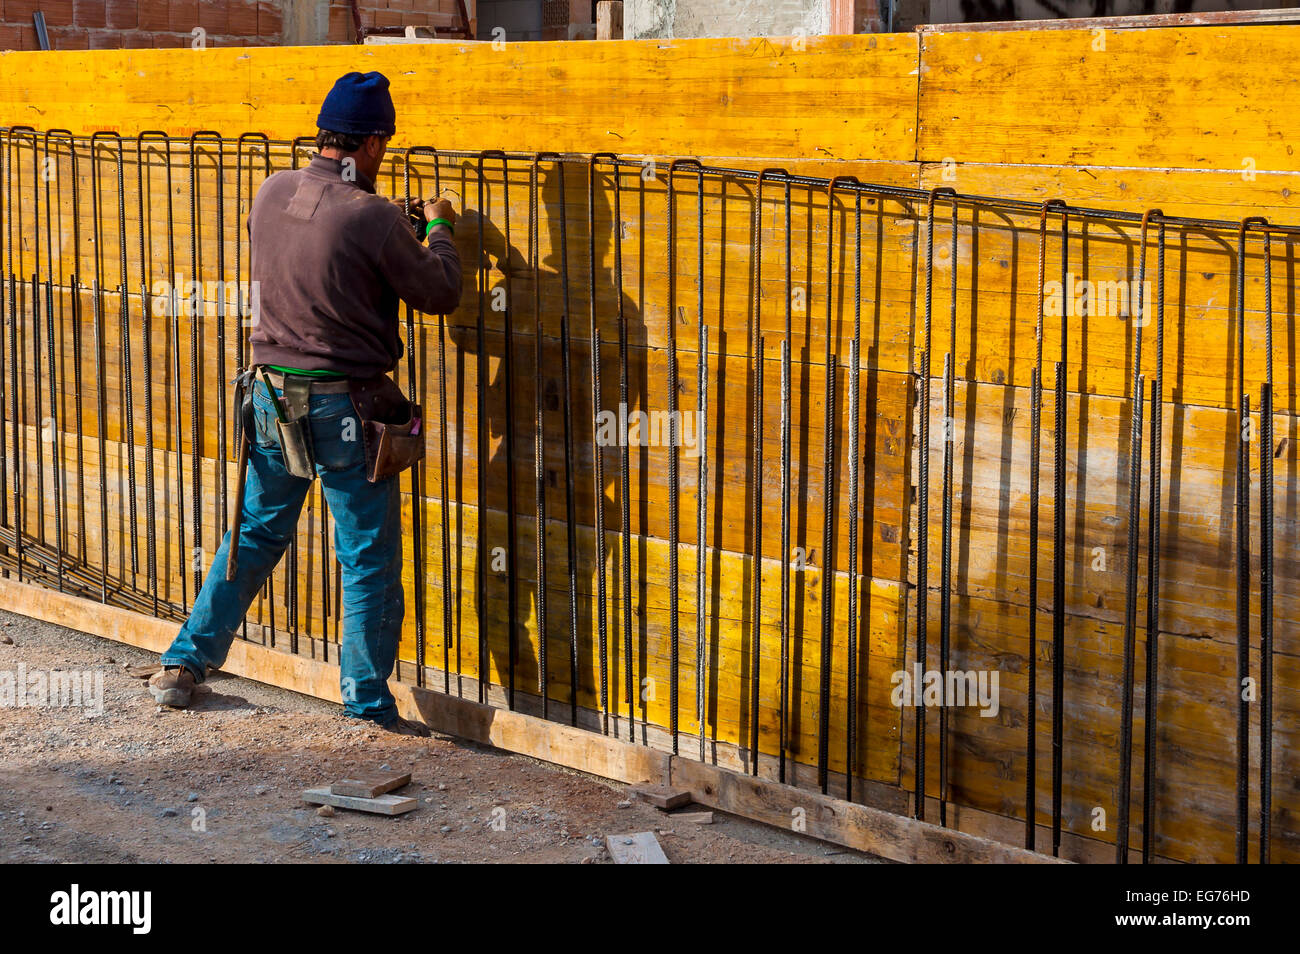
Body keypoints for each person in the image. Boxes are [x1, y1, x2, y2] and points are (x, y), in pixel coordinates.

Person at [147, 71, 461, 736]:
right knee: (366, 555)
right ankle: (367, 706)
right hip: (346, 410)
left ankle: (183, 665)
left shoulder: (272, 191)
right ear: (372, 144)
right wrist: (436, 226)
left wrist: (384, 227)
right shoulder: (372, 217)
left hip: (270, 398)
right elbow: (439, 292)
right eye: (384, 146)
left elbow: (321, 250)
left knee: (255, 536)